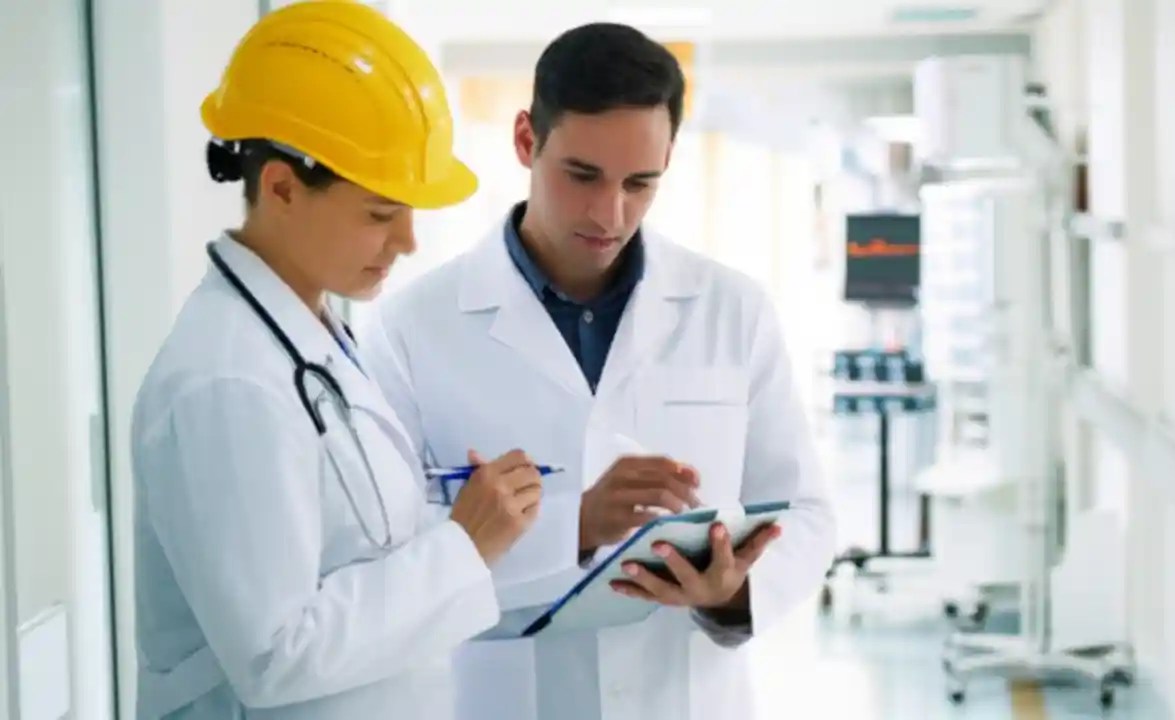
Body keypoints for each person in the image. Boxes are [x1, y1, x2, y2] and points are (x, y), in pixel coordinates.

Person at [359, 21, 837, 720]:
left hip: (686, 697)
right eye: (582, 176)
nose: (610, 214)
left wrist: (730, 590)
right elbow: (389, 555)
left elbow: (805, 512)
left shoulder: (731, 310)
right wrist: (574, 525)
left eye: (641, 183)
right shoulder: (413, 326)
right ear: (526, 140)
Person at [129, 3, 546, 718]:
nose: (409, 241)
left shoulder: (309, 337)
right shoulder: (227, 381)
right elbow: (276, 652)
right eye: (381, 215)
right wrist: (461, 545)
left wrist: (448, 518)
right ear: (282, 188)